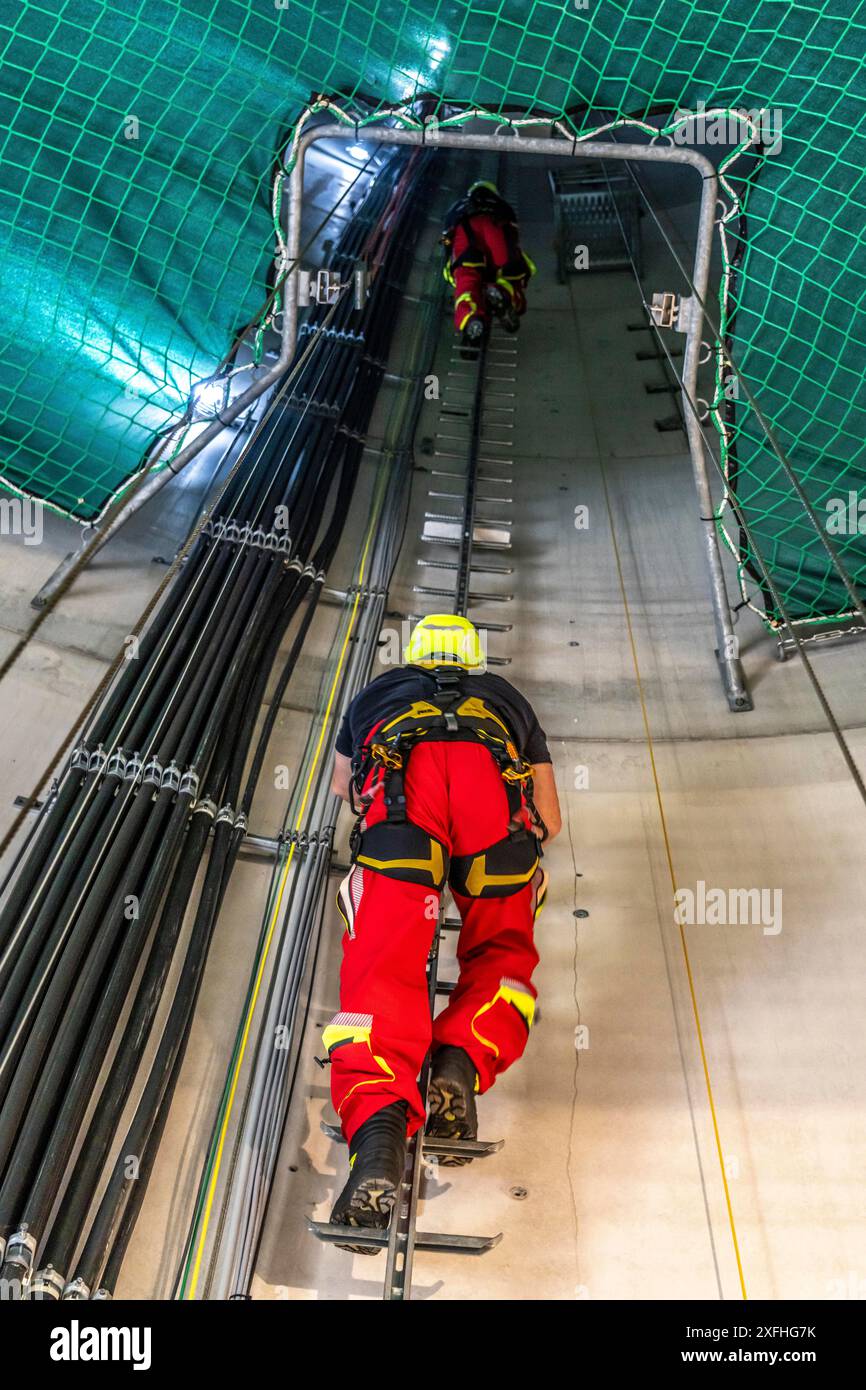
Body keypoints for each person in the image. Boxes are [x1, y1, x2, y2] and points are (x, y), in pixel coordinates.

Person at [324, 614, 561, 1249]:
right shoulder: (508, 700)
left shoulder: (375, 694)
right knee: (503, 957)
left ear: (414, 654)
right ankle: (460, 1059)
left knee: (381, 971)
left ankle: (378, 1133)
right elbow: (550, 818)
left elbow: (347, 788)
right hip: (495, 815)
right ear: (476, 657)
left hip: (405, 808)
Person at [441, 180, 536, 352]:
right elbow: (512, 237)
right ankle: (504, 294)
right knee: (510, 276)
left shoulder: (458, 207)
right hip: (497, 231)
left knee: (466, 281)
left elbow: (446, 236)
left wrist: (448, 251)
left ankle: (471, 317)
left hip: (466, 238)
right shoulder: (503, 207)